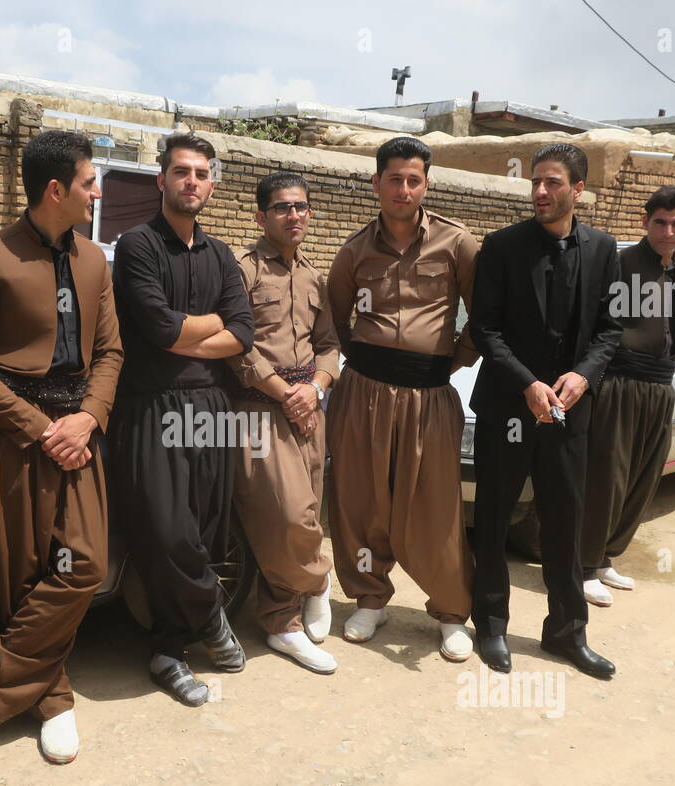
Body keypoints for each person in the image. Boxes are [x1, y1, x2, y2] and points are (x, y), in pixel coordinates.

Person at [0, 130, 122, 769]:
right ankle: (53, 699)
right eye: (89, 182)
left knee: (84, 564)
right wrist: (42, 428)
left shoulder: (97, 260)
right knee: (15, 574)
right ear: (56, 190)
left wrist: (87, 418)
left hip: (78, 434)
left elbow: (110, 353)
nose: (97, 192)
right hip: (10, 437)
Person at [110, 131, 255, 706]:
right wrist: (200, 328)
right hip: (151, 406)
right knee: (166, 531)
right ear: (161, 180)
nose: (191, 181)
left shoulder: (220, 255)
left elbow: (242, 333)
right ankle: (214, 619)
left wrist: (184, 335)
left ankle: (169, 651)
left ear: (211, 184)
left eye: (201, 173)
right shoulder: (136, 246)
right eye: (181, 172)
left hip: (213, 408)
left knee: (203, 531)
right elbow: (155, 326)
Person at [468, 143, 622, 680]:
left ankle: (565, 633)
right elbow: (484, 330)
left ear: (577, 190)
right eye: (535, 181)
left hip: (568, 413)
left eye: (552, 183)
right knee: (491, 519)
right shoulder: (502, 247)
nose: (539, 191)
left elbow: (610, 329)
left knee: (564, 524)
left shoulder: (605, 250)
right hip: (509, 408)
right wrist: (529, 385)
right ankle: (490, 626)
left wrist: (584, 374)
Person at [326, 136, 479, 662]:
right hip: (364, 393)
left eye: (414, 179)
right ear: (377, 183)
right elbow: (337, 323)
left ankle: (452, 611)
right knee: (362, 502)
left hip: (431, 395)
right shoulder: (353, 251)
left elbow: (485, 317)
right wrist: (369, 367)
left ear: (426, 185)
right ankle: (370, 597)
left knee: (435, 507)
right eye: (394, 178)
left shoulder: (457, 244)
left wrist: (451, 361)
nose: (404, 189)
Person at [228, 172, 341, 674]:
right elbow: (236, 342)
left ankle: (281, 621)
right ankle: (318, 579)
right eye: (281, 208)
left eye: (300, 207)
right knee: (285, 515)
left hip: (309, 408)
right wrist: (282, 391)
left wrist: (314, 388)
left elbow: (331, 345)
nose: (292, 215)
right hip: (258, 410)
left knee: (309, 510)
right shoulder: (242, 270)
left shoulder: (316, 277)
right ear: (261, 216)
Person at [581, 185, 675, 607]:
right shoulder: (622, 264)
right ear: (645, 222)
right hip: (621, 382)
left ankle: (606, 557)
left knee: (642, 479)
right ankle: (583, 566)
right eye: (660, 222)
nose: (667, 231)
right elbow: (597, 326)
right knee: (607, 479)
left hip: (661, 386)